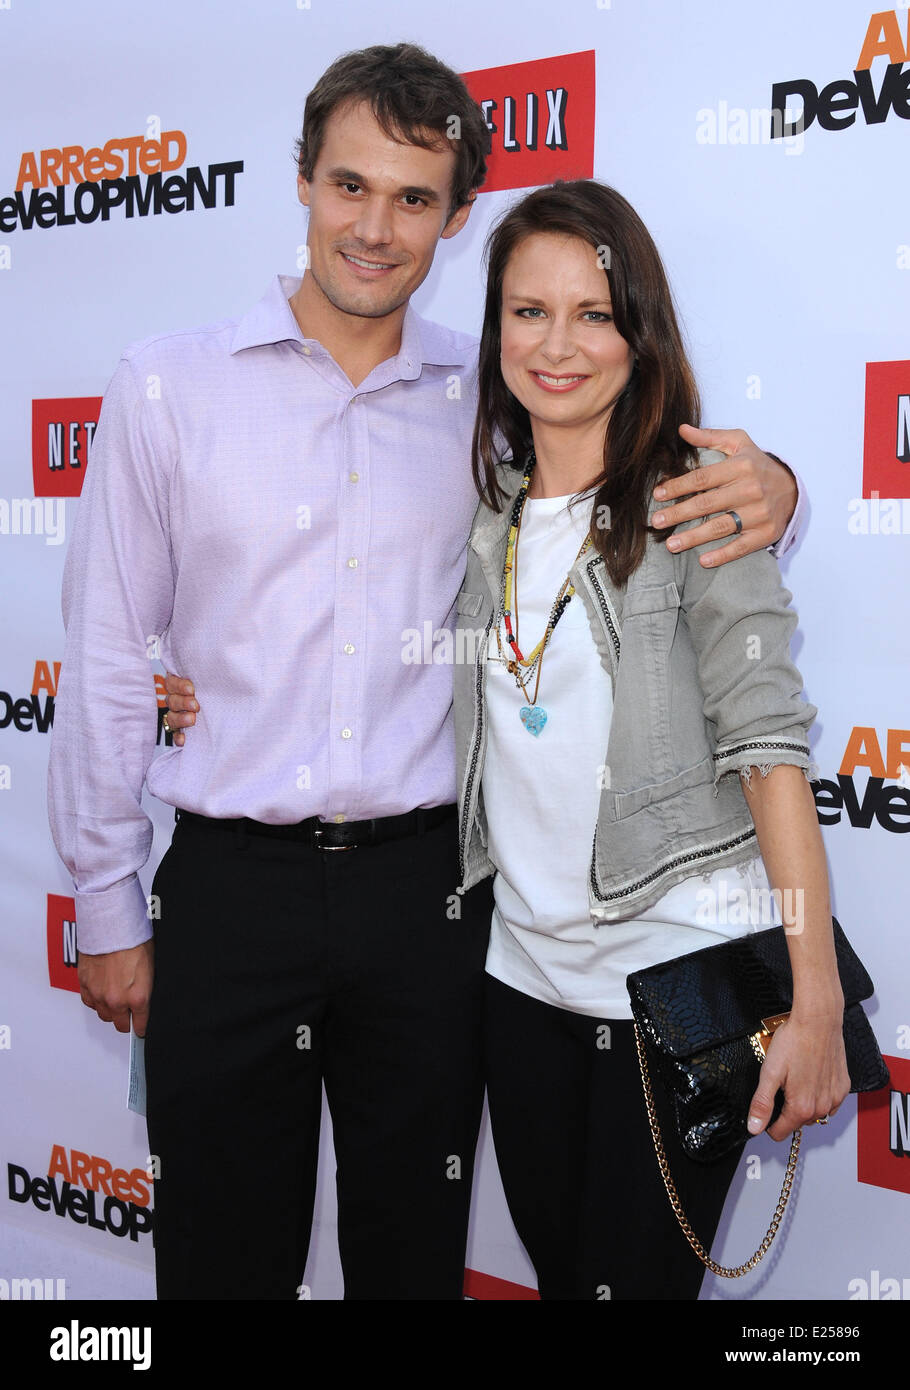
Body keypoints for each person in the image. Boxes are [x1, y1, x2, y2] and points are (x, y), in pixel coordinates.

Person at [54, 44, 802, 1301]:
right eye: (351, 186)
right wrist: (106, 901)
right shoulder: (166, 388)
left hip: (434, 903)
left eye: (414, 198)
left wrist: (777, 484)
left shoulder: (495, 389)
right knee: (218, 1262)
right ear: (301, 182)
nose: (375, 227)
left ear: (458, 219)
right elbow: (111, 659)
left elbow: (636, 453)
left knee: (409, 1258)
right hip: (232, 897)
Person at [450, 179, 850, 1300]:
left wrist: (810, 1001)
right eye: (528, 312)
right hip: (518, 986)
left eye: (593, 312)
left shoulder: (699, 507)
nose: (558, 344)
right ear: (494, 331)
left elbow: (770, 756)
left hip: (670, 992)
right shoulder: (487, 514)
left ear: (640, 333)